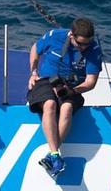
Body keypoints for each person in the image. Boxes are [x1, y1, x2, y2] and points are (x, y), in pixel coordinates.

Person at [26, 18, 103, 179]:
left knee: (66, 108)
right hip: (47, 80)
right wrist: (33, 72)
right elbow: (35, 48)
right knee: (49, 104)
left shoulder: (94, 49)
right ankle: (55, 154)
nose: (84, 47)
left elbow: (91, 82)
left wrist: (73, 90)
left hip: (71, 86)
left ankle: (52, 155)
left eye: (87, 44)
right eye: (80, 43)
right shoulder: (55, 36)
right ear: (71, 35)